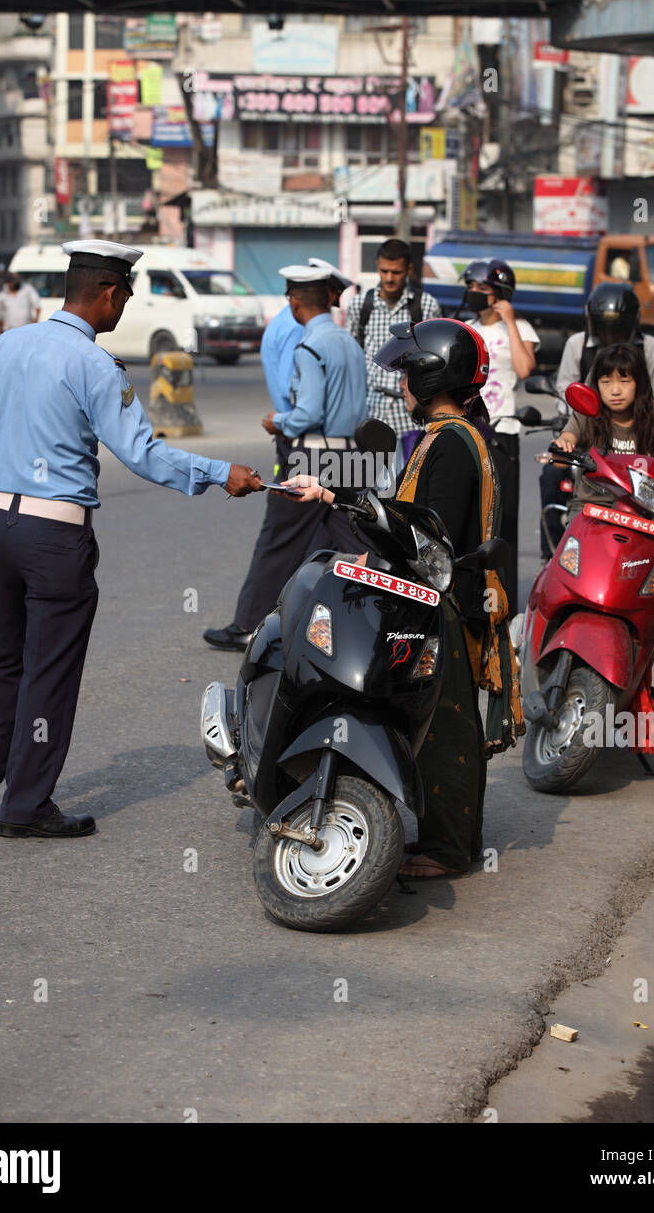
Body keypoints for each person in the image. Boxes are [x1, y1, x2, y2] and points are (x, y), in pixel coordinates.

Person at [0, 240, 262, 839]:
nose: (123, 307)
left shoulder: (7, 344)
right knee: (49, 668)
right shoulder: (95, 365)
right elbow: (143, 456)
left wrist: (24, 457)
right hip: (54, 535)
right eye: (124, 295)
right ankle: (24, 806)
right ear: (105, 291)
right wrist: (219, 473)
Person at [286, 319, 524, 878]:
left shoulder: (451, 445)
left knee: (447, 726)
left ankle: (450, 849)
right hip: (445, 595)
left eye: (408, 375)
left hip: (448, 601)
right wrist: (340, 494)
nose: (402, 388)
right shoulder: (448, 438)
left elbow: (425, 530)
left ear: (430, 375)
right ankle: (445, 839)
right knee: (439, 721)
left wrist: (352, 502)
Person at [203, 264, 366, 653]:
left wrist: (278, 420)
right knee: (361, 542)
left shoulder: (309, 347)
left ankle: (247, 625)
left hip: (311, 456)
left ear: (294, 304)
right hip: (353, 456)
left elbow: (307, 413)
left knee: (278, 540)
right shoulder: (350, 343)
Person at [555, 342, 654, 537]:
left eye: (624, 381)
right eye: (606, 382)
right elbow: (565, 443)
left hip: (641, 517)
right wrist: (563, 443)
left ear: (640, 384)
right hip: (590, 512)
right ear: (596, 385)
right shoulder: (587, 416)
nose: (615, 390)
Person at [461, 259, 539, 617]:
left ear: (500, 295)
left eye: (482, 289)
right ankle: (469, 597)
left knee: (502, 522)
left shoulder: (520, 327)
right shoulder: (465, 328)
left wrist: (509, 321)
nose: (475, 294)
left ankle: (502, 604)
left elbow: (524, 369)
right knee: (470, 520)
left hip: (503, 434)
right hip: (469, 432)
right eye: (471, 288)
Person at [345, 238, 440, 439]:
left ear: (409, 269)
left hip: (409, 413)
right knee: (371, 470)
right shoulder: (360, 306)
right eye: (384, 271)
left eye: (396, 272)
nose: (389, 278)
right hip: (370, 409)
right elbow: (351, 360)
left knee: (410, 469)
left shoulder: (425, 306)